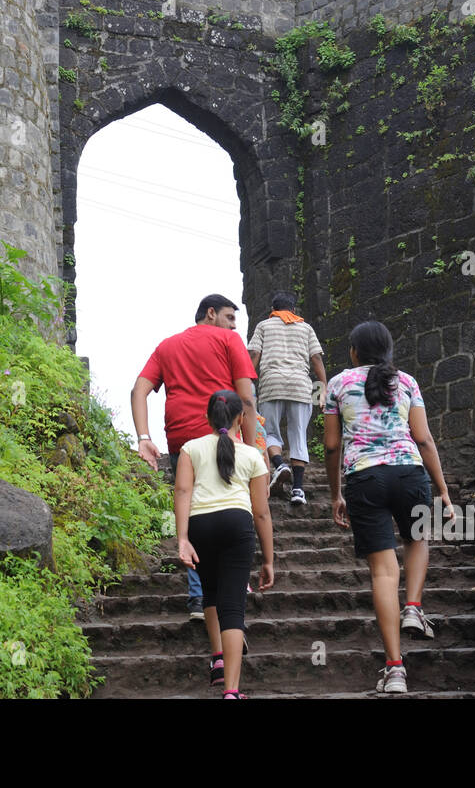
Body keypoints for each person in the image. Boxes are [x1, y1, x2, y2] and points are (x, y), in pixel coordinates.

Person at [324, 321, 453, 694]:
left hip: (365, 479)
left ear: (353, 352)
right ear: (389, 350)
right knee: (417, 539)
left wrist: (336, 494)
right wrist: (443, 490)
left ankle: (395, 670)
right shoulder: (408, 383)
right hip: (411, 473)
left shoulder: (337, 384)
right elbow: (424, 439)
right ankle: (413, 605)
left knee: (383, 572)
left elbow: (331, 447)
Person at [132, 294, 259, 622]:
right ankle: (230, 583)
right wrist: (252, 445)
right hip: (224, 436)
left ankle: (199, 595)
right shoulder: (229, 341)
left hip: (182, 439)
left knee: (193, 505)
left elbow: (138, 390)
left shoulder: (167, 346)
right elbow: (245, 397)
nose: (234, 325)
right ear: (211, 313)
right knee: (231, 502)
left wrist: (144, 438)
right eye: (230, 317)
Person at [175, 390, 275, 699]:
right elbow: (261, 511)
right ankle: (231, 690)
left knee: (210, 594)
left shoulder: (190, 448)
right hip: (237, 524)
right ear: (241, 419)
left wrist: (182, 538)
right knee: (233, 607)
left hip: (201, 525)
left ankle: (217, 660)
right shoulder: (252, 455)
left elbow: (182, 491)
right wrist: (269, 559)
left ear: (207, 418)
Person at [248, 291, 327, 505]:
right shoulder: (306, 328)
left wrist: (246, 381)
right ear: (293, 310)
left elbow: (254, 354)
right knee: (298, 435)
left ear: (273, 311)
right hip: (301, 386)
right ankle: (298, 490)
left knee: (269, 431)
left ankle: (279, 464)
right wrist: (324, 387)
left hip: (271, 385)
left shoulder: (264, 326)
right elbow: (316, 358)